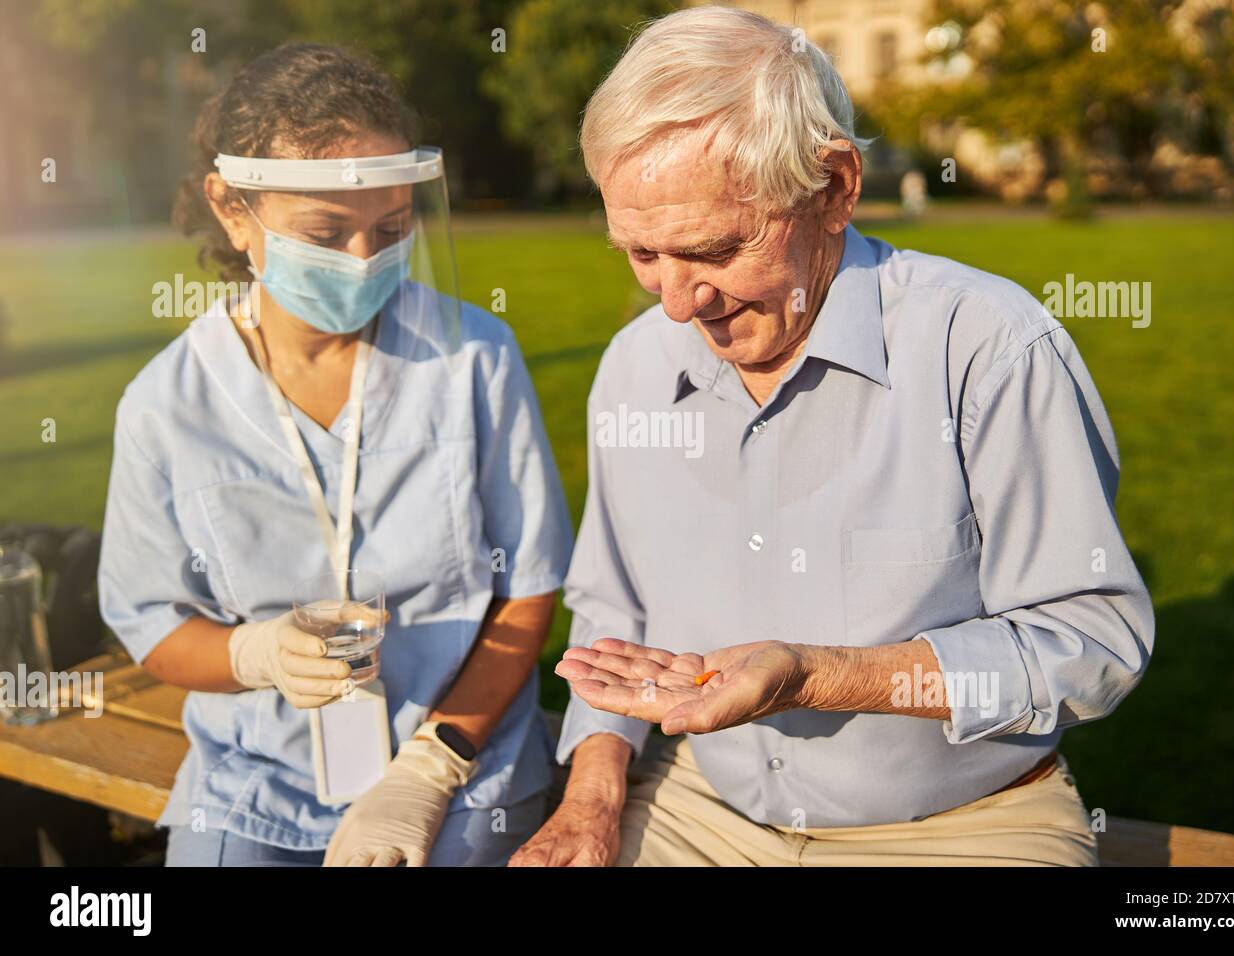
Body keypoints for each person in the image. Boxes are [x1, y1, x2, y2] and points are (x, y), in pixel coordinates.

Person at [512, 6, 1154, 867]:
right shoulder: (635, 368)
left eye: (714, 247)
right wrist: (591, 797)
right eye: (641, 254)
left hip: (961, 829)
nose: (676, 303)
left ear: (835, 188)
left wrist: (822, 676)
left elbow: (1095, 642)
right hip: (702, 805)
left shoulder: (989, 346)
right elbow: (613, 608)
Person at [98, 43, 572, 867]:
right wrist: (256, 654)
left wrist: (430, 765)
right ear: (231, 209)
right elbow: (152, 619)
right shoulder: (166, 406)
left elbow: (528, 591)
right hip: (257, 781)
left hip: (466, 767)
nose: (364, 261)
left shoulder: (473, 357)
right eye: (325, 232)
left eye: (392, 229)